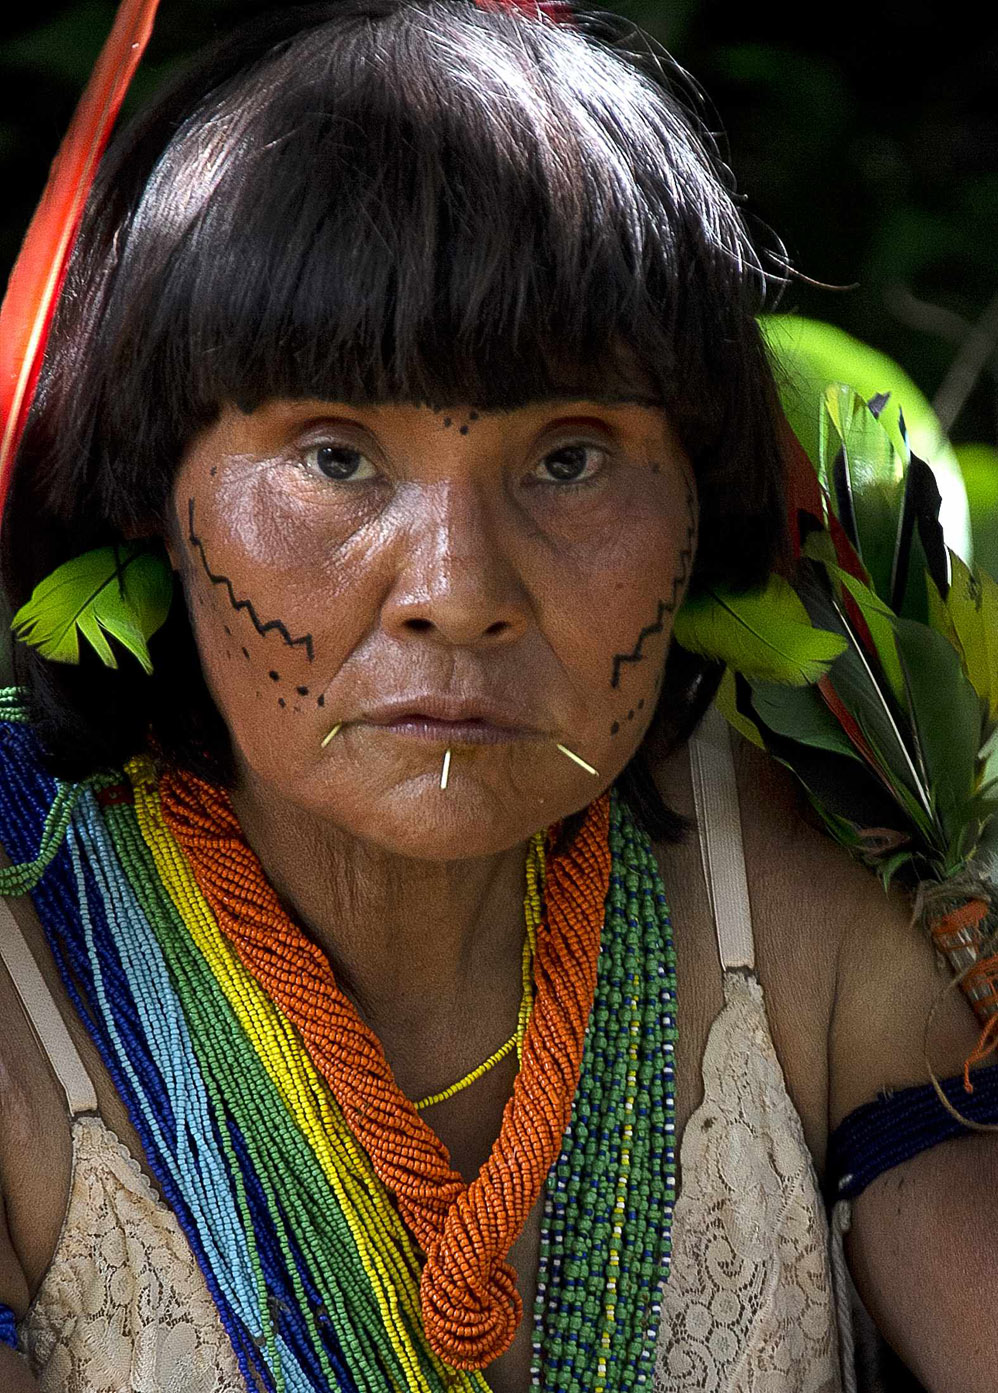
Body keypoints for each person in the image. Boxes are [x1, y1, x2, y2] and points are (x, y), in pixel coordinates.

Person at [0, 2, 994, 1391]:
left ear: (698, 517)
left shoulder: (802, 894)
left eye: (572, 457)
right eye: (336, 456)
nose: (459, 589)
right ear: (149, 500)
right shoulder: (19, 981)